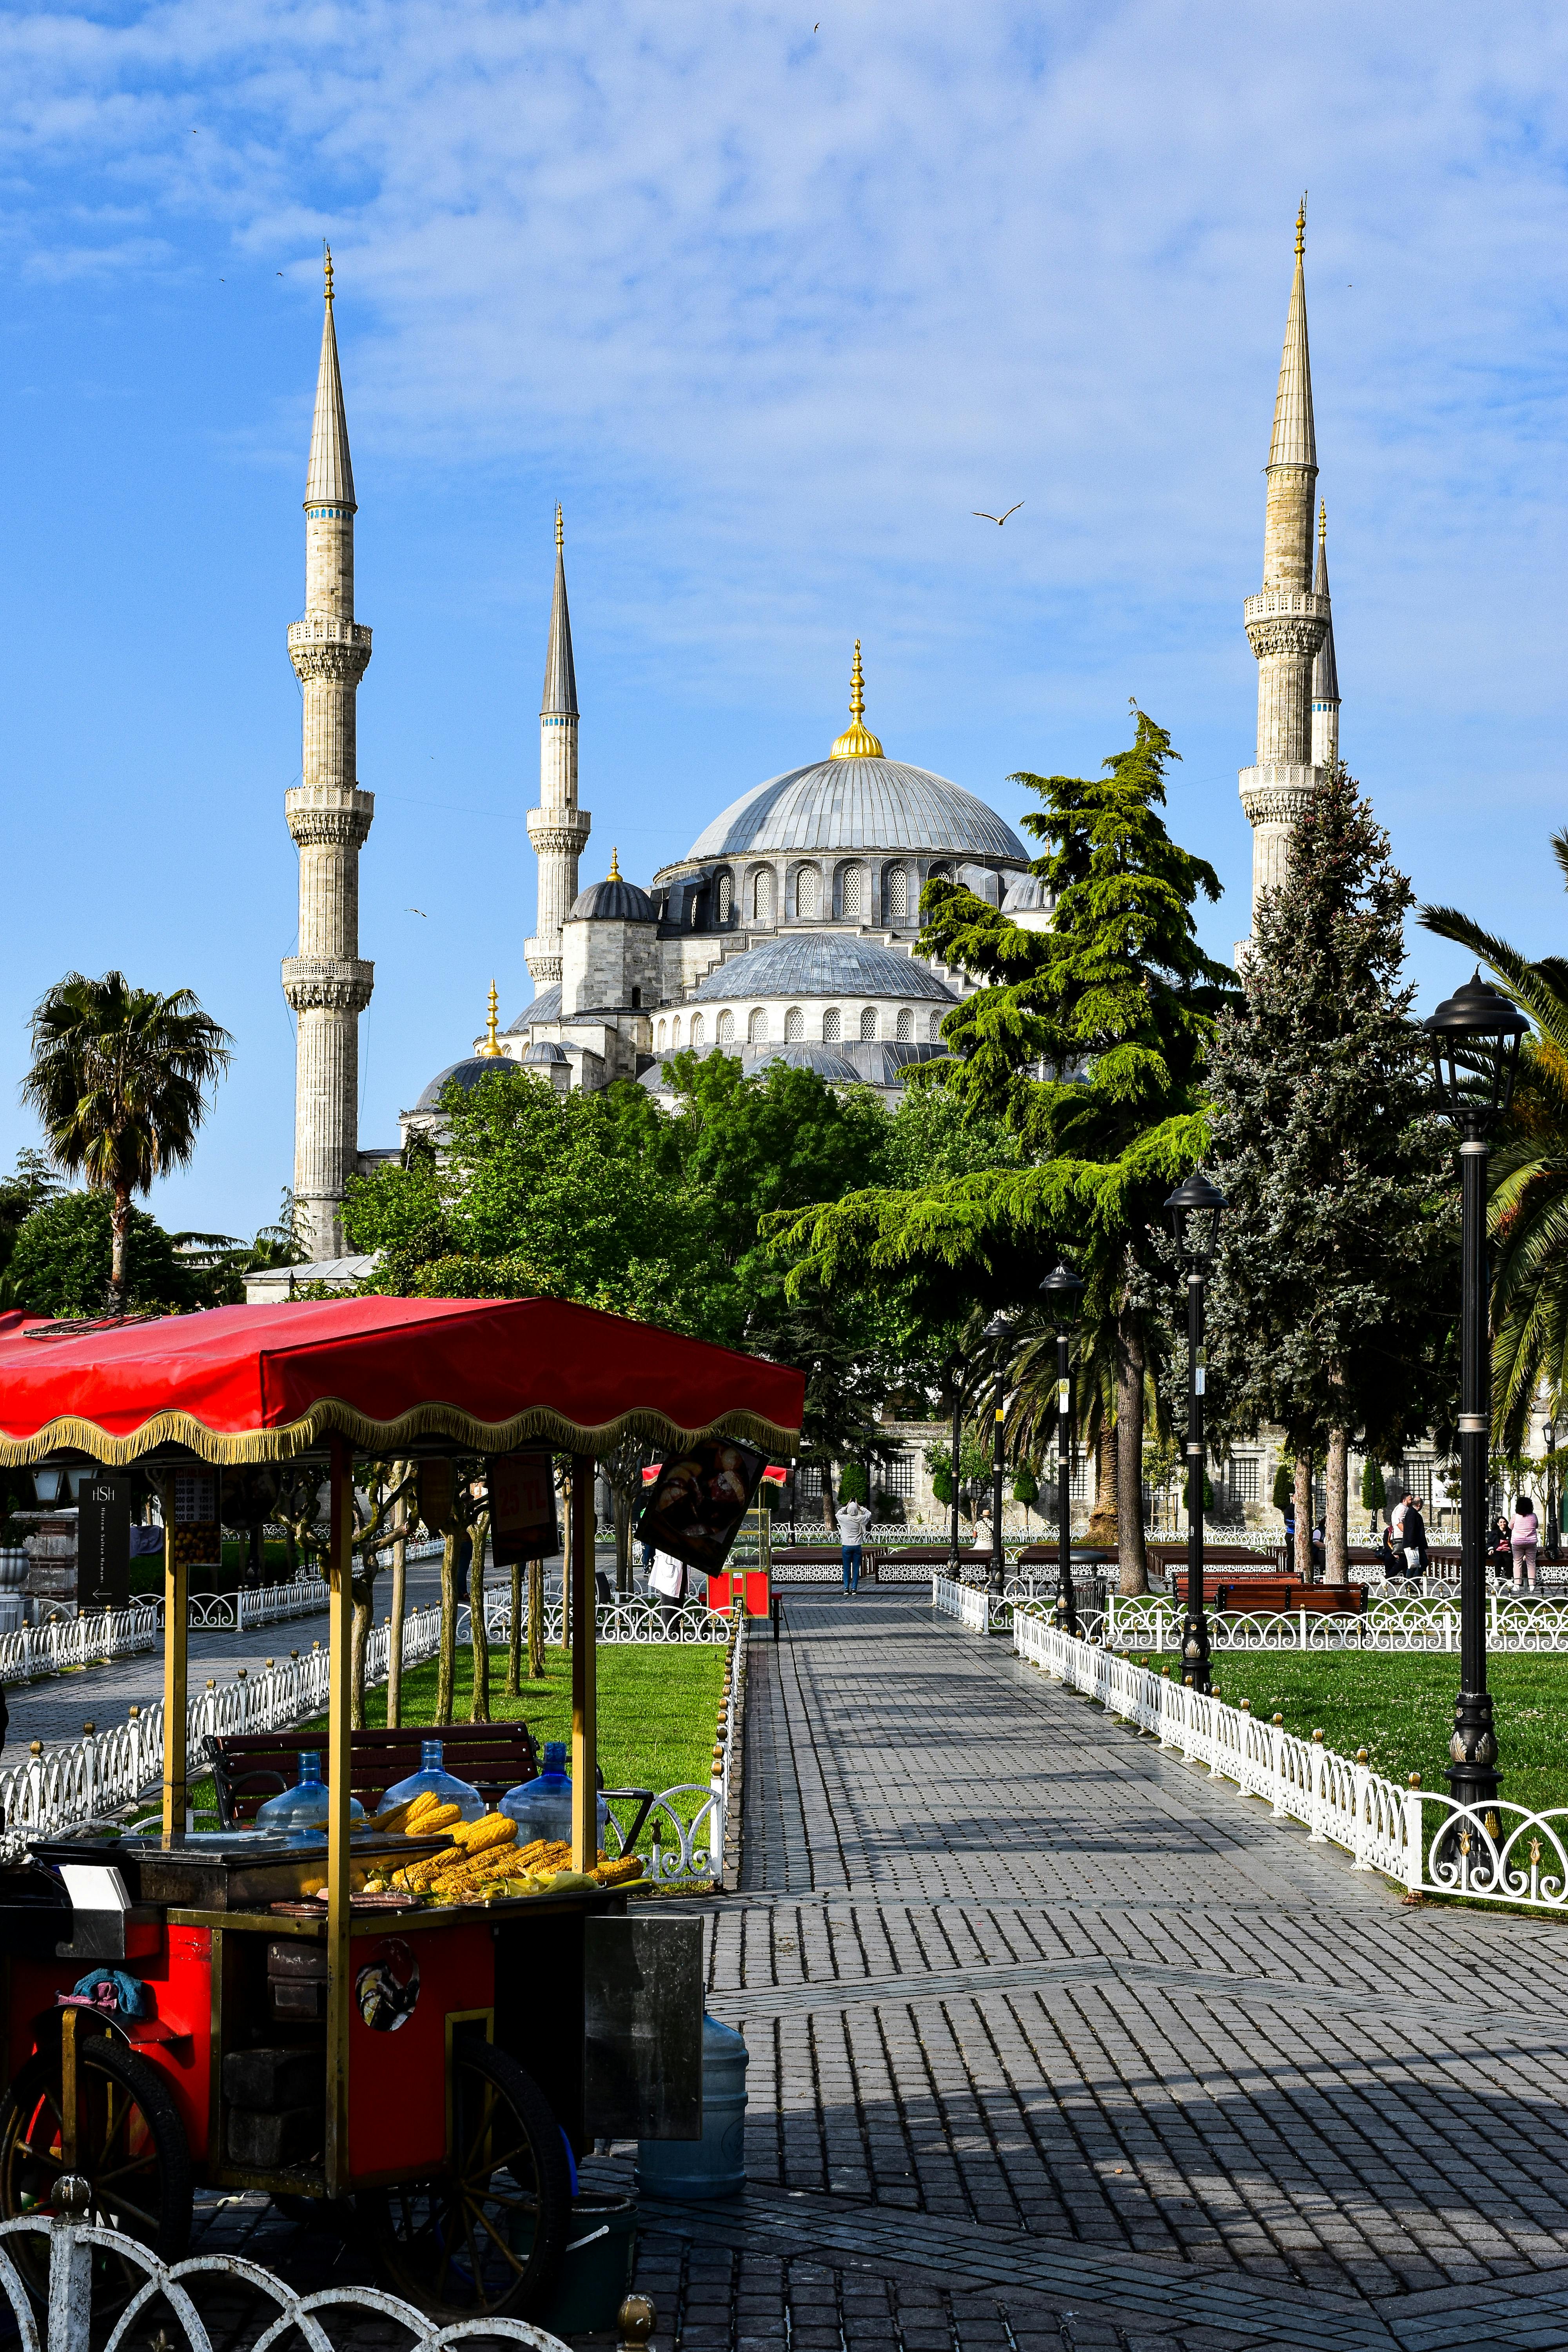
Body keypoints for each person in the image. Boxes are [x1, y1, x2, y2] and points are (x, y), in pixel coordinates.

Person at [835, 1494, 872, 1595]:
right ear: (856, 1510)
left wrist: (847, 1506)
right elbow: (869, 1514)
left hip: (846, 1546)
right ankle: (854, 1589)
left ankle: (846, 1588)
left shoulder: (844, 1519)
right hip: (857, 1546)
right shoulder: (860, 1518)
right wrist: (860, 1507)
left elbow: (838, 1514)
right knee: (856, 1569)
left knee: (847, 1568)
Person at [1511, 1494, 1541, 1593]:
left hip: (1517, 1543)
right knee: (1531, 1563)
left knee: (1517, 1562)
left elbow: (1510, 1527)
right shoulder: (1534, 1516)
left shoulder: (1515, 1517)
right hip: (1531, 1543)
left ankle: (1517, 1584)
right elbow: (1536, 1526)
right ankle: (1532, 1585)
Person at [1401, 1494, 1428, 1581]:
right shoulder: (1412, 1514)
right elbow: (1411, 1530)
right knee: (1415, 1564)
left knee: (1416, 1564)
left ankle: (1412, 1584)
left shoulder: (1412, 1513)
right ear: (1420, 1505)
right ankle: (1412, 1584)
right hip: (1414, 1545)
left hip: (1416, 1544)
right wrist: (1412, 1545)